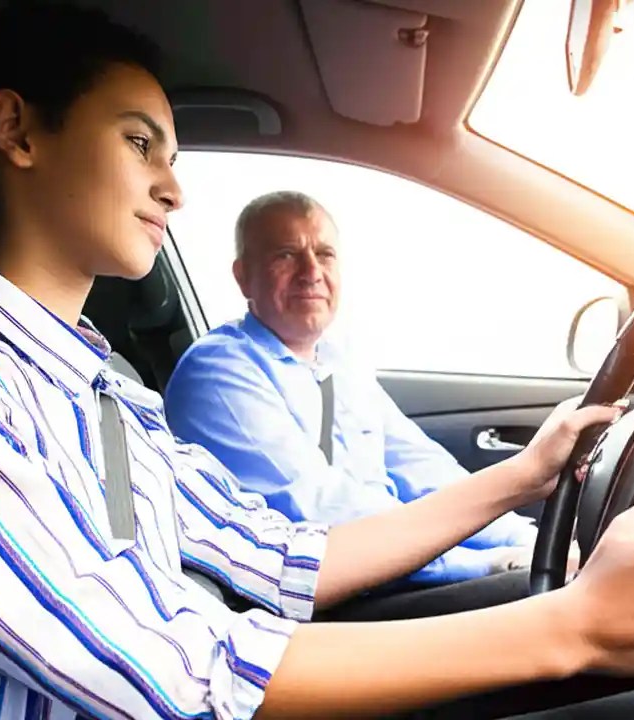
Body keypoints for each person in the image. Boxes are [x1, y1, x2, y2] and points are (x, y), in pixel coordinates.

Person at [0, 4, 634, 719]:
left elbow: (278, 560)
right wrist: (571, 624)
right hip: (192, 697)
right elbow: (167, 678)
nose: (172, 189)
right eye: (141, 143)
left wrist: (522, 475)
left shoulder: (102, 395)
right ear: (16, 132)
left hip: (222, 682)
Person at [165, 191, 555, 610]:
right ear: (244, 276)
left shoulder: (337, 361)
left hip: (396, 569)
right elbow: (322, 510)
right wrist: (486, 564)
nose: (311, 271)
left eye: (325, 254)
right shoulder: (219, 372)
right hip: (321, 601)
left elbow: (422, 467)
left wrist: (523, 537)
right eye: (286, 255)